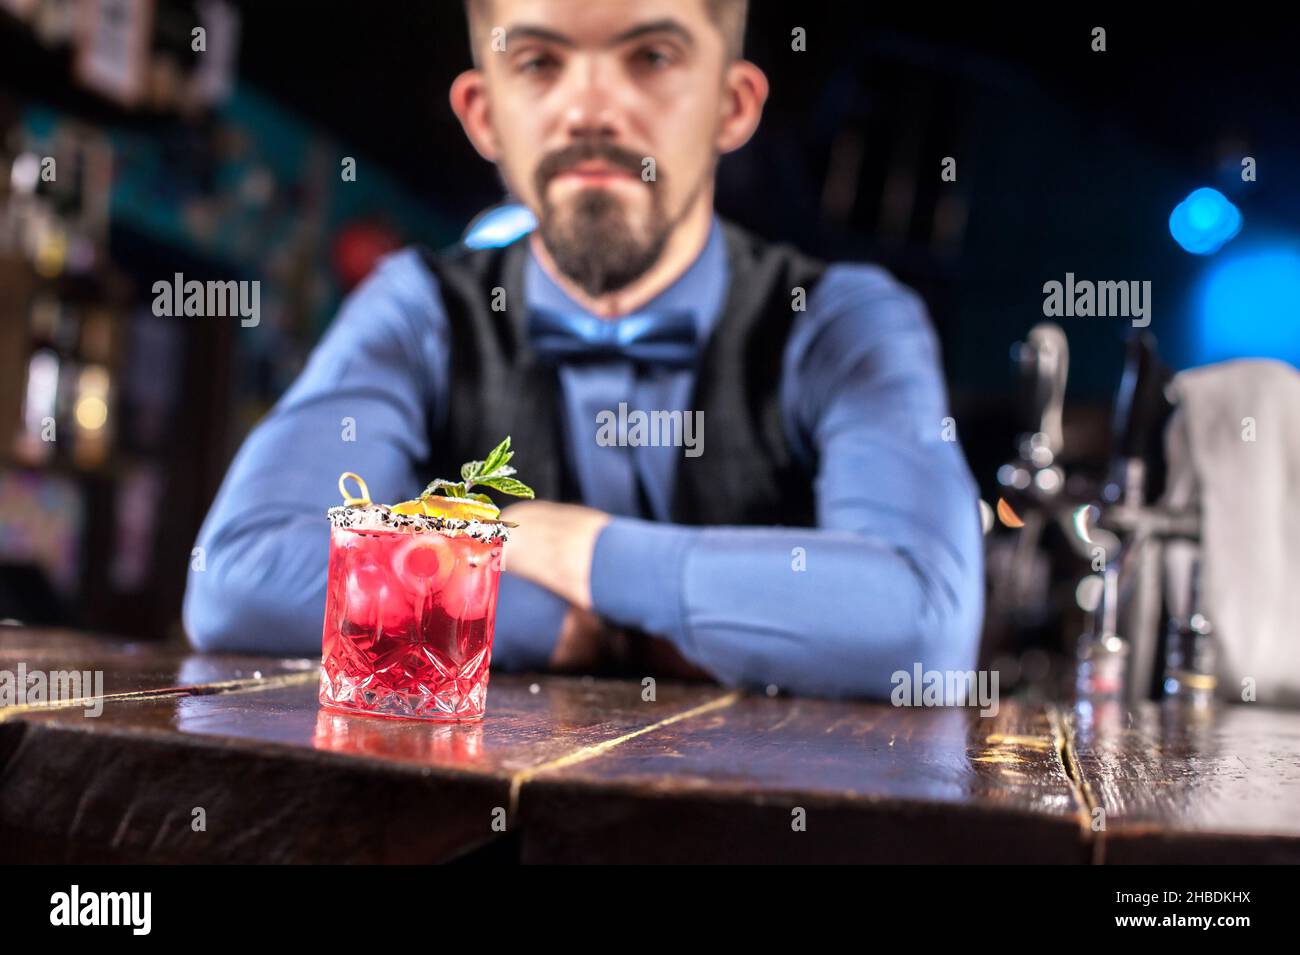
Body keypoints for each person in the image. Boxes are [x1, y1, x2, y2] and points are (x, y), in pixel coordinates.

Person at [183, 0, 983, 698]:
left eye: (653, 57)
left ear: (732, 106)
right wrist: (566, 621)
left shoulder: (842, 321)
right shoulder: (415, 306)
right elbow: (239, 580)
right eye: (537, 62)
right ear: (485, 116)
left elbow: (923, 630)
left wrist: (585, 550)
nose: (592, 108)